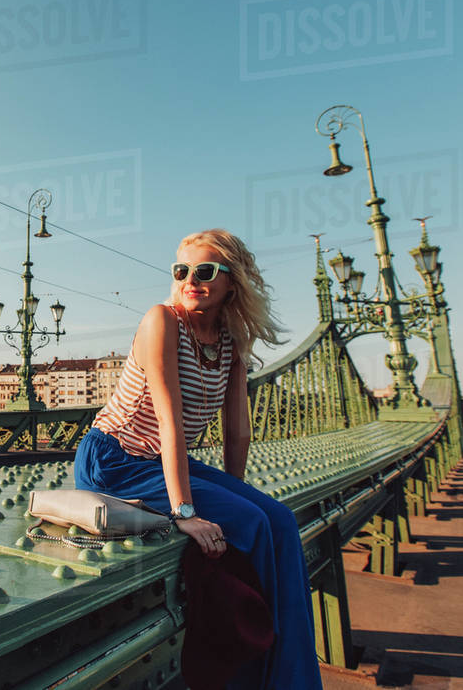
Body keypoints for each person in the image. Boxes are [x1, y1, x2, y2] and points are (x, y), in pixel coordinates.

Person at [73, 228, 322, 689]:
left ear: (233, 282)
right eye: (181, 270)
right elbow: (169, 420)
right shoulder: (162, 321)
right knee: (250, 525)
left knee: (279, 521)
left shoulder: (231, 342)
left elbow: (238, 430)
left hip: (161, 462)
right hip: (115, 459)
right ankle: (258, 678)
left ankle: (294, 677)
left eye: (205, 271)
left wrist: (239, 488)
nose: (190, 279)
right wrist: (184, 512)